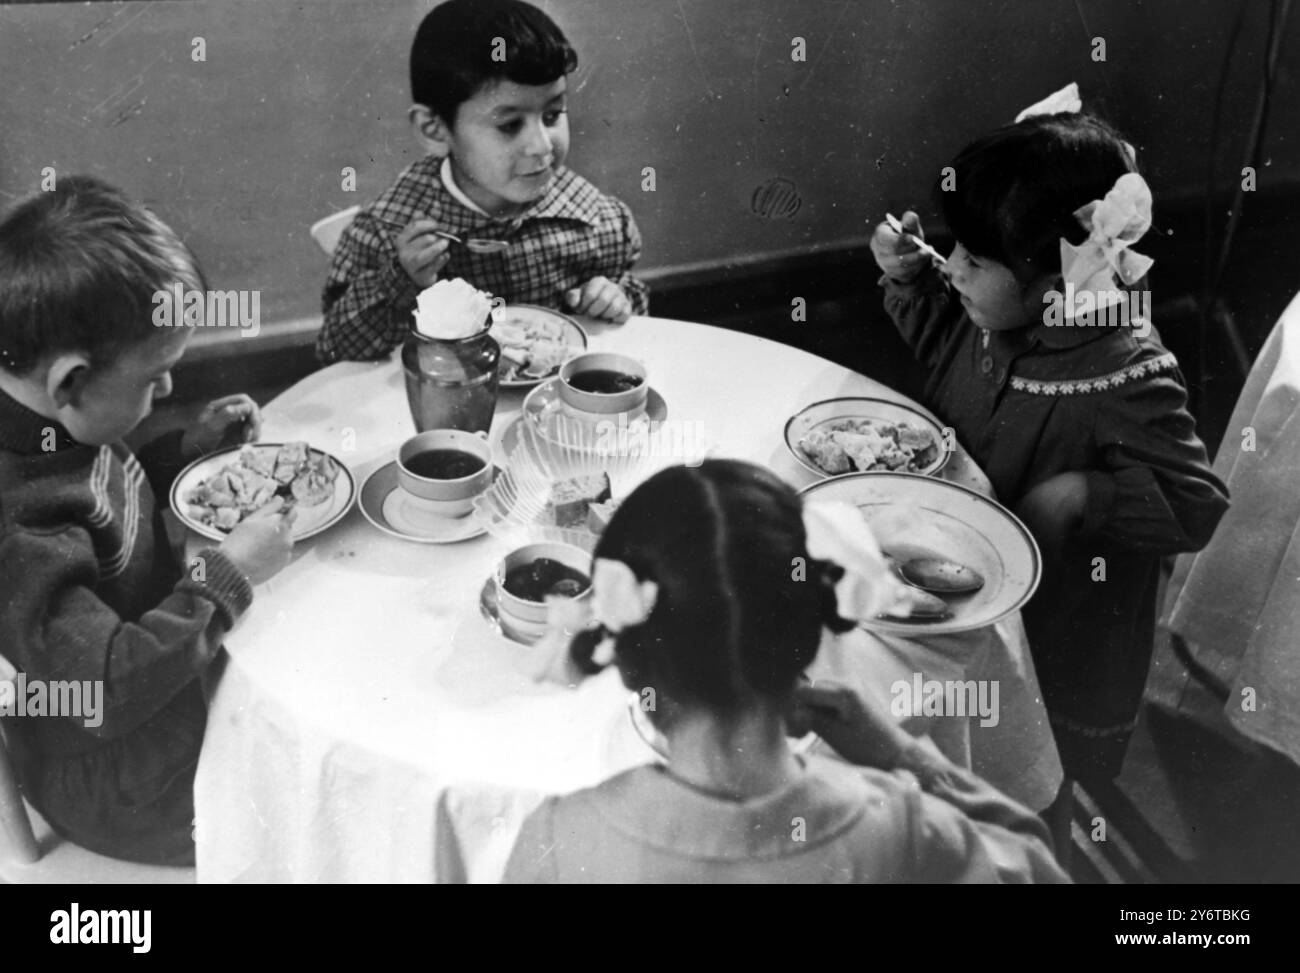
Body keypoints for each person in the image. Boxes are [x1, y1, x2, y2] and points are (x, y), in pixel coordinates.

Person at [869, 108, 1229, 788]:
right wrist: (910, 279)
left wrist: (1087, 493)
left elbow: (1199, 503)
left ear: (1060, 281)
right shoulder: (994, 312)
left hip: (1062, 627)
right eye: (954, 250)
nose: (953, 269)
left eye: (974, 260)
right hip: (958, 571)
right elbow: (942, 341)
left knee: (1030, 761)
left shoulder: (1125, 369)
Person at [502, 460, 1068, 883]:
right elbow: (1037, 869)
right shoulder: (903, 830)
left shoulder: (558, 841)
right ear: (808, 641)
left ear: (628, 666)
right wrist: (907, 756)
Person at [0, 176, 295, 865]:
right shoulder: (24, 527)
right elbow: (105, 687)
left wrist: (182, 450)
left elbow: (112, 495)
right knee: (312, 804)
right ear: (70, 381)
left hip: (157, 690)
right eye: (155, 376)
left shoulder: (54, 421)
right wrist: (229, 576)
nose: (167, 390)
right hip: (127, 778)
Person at [317, 0, 648, 363]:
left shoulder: (595, 221)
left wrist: (613, 299)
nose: (541, 147)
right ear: (434, 129)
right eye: (509, 125)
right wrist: (400, 281)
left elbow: (636, 321)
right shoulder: (385, 234)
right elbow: (335, 350)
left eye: (552, 115)